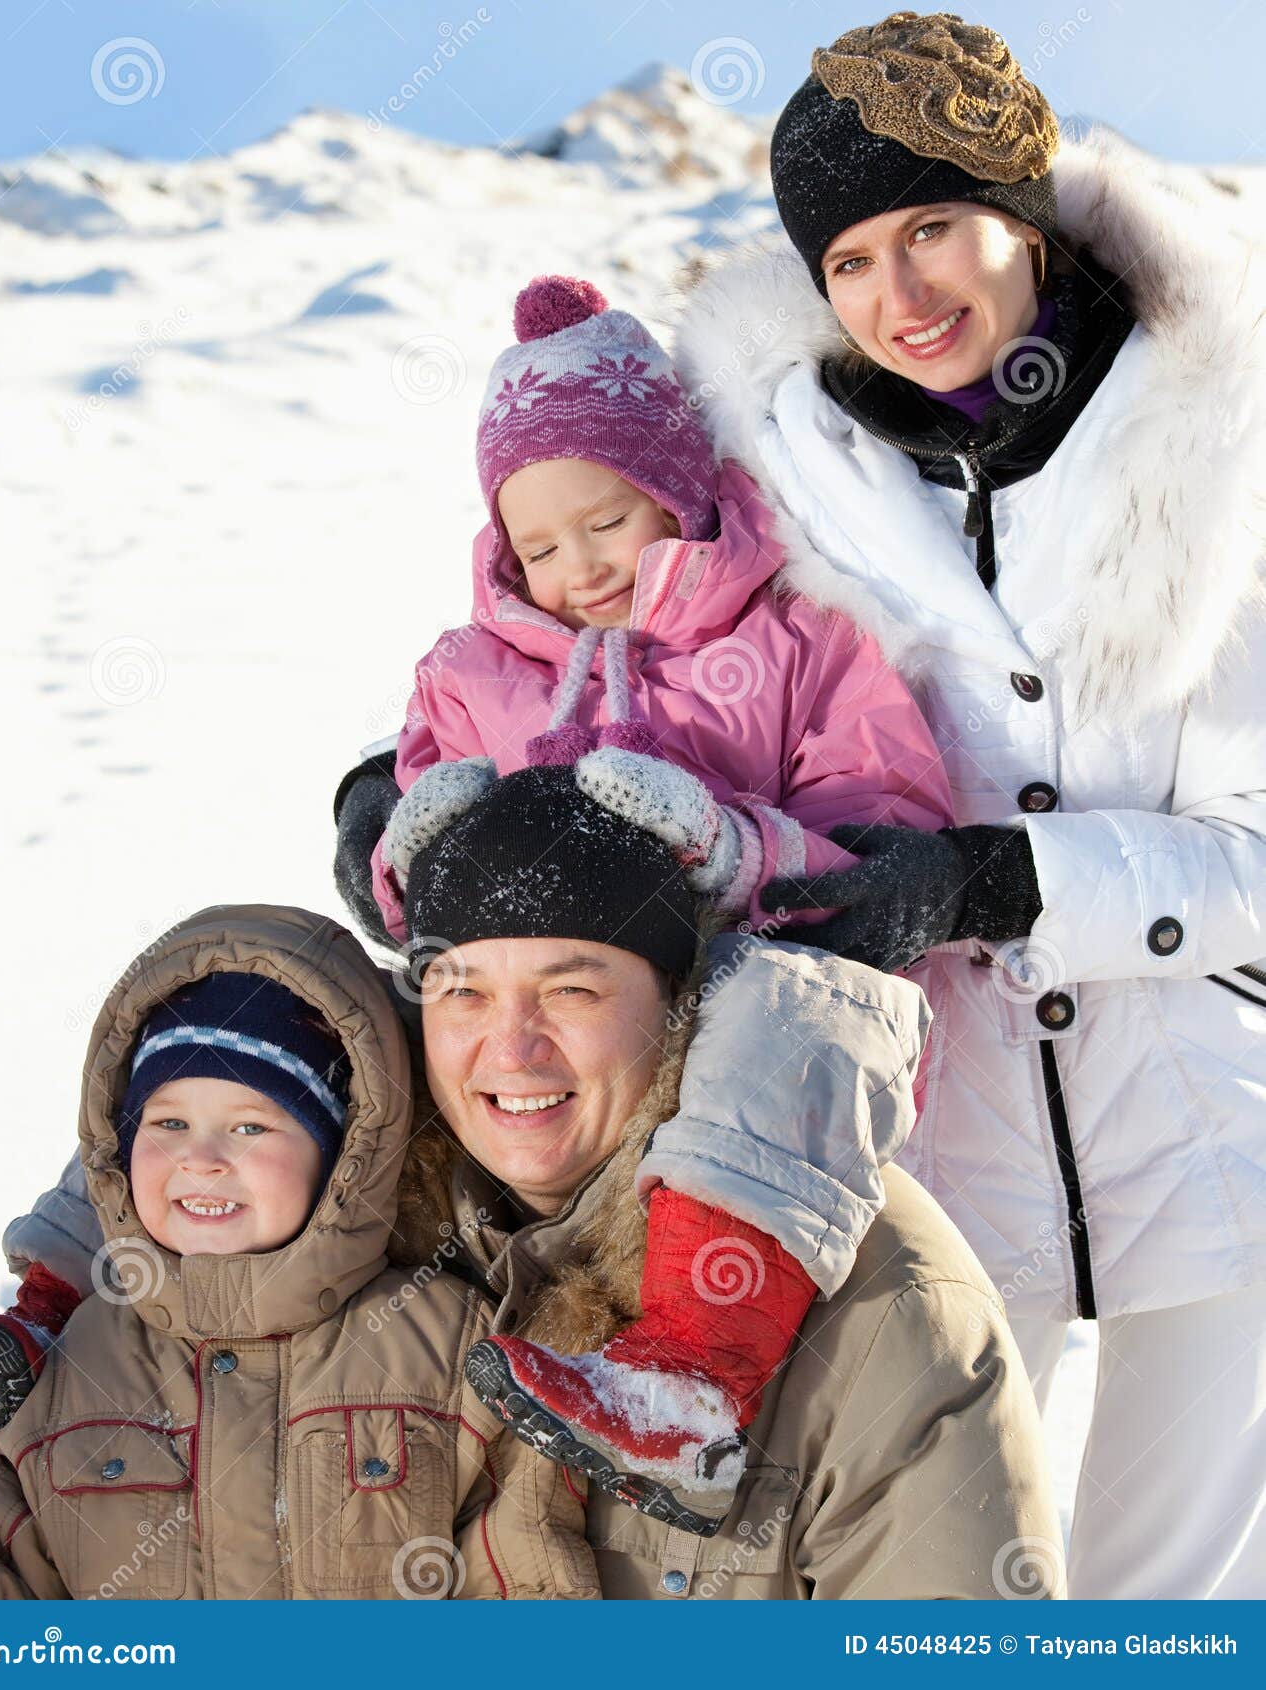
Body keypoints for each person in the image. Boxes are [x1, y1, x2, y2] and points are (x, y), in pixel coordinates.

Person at [673, 9, 1266, 1596]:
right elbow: (646, 665)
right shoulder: (788, 471)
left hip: (1225, 1148)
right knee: (951, 1595)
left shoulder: (1232, 445)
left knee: (1175, 1605)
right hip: (948, 1153)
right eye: (850, 259)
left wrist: (989, 882)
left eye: (932, 226)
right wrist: (420, 782)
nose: (899, 296)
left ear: (1020, 209)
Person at [335, 271, 957, 1531]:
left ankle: (689, 1379)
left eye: (607, 521)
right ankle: (80, 1300)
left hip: (740, 1035)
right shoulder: (472, 671)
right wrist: (418, 846)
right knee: (271, 999)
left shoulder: (796, 641)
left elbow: (888, 837)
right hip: (554, 1044)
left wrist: (736, 848)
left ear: (676, 488)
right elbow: (414, 861)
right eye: (538, 546)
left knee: (790, 1010)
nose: (575, 569)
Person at [388, 759, 1065, 1597]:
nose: (513, 1048)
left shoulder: (887, 1306)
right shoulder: (357, 1257)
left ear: (683, 1000)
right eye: (463, 993)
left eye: (570, 990)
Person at [0, 906, 594, 1600]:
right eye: (168, 1122)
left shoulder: (449, 1344)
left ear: (342, 1158)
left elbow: (523, 1577)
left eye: (251, 1126)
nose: (201, 1159)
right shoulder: (77, 1362)